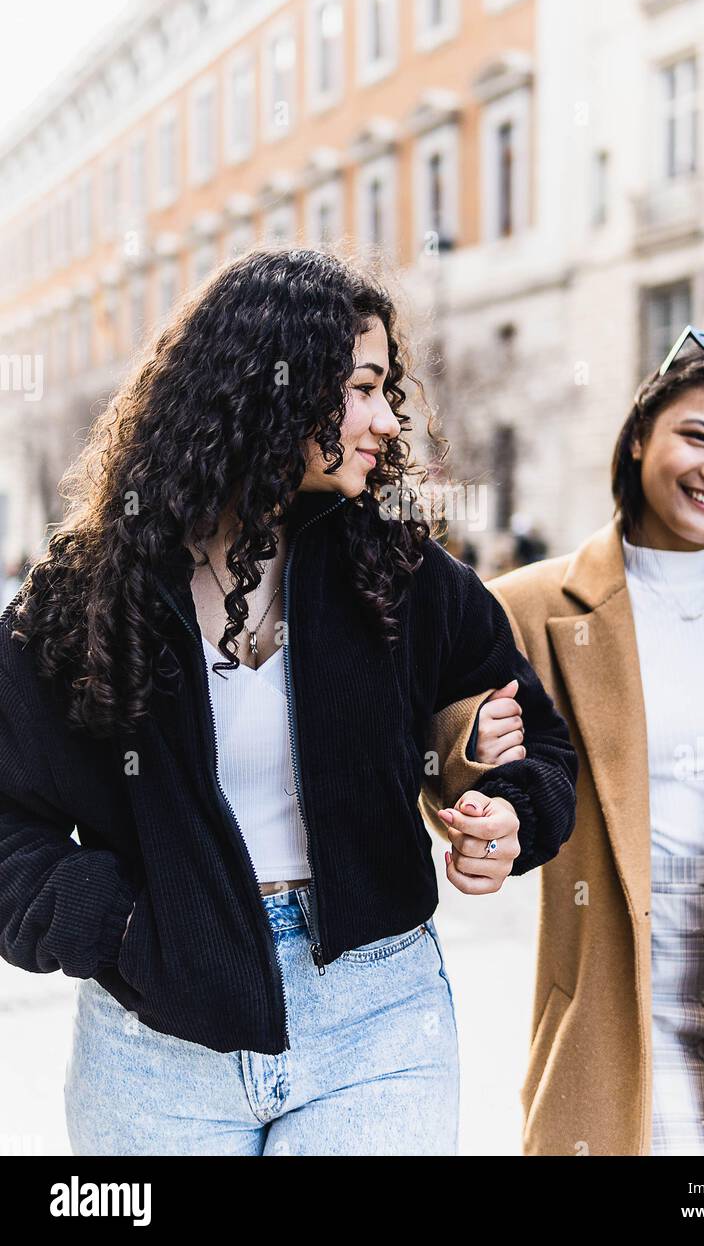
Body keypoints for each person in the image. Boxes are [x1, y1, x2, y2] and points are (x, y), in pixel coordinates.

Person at [0, 247, 577, 1156]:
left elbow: (539, 743)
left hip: (378, 1016)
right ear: (269, 387)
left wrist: (510, 813)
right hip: (157, 1037)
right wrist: (106, 922)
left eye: (390, 390)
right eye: (362, 386)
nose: (388, 419)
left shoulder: (406, 575)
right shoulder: (81, 600)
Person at [426, 326, 704, 1155]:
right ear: (638, 439)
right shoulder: (525, 604)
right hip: (606, 984)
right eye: (698, 437)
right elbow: (451, 772)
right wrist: (475, 764)